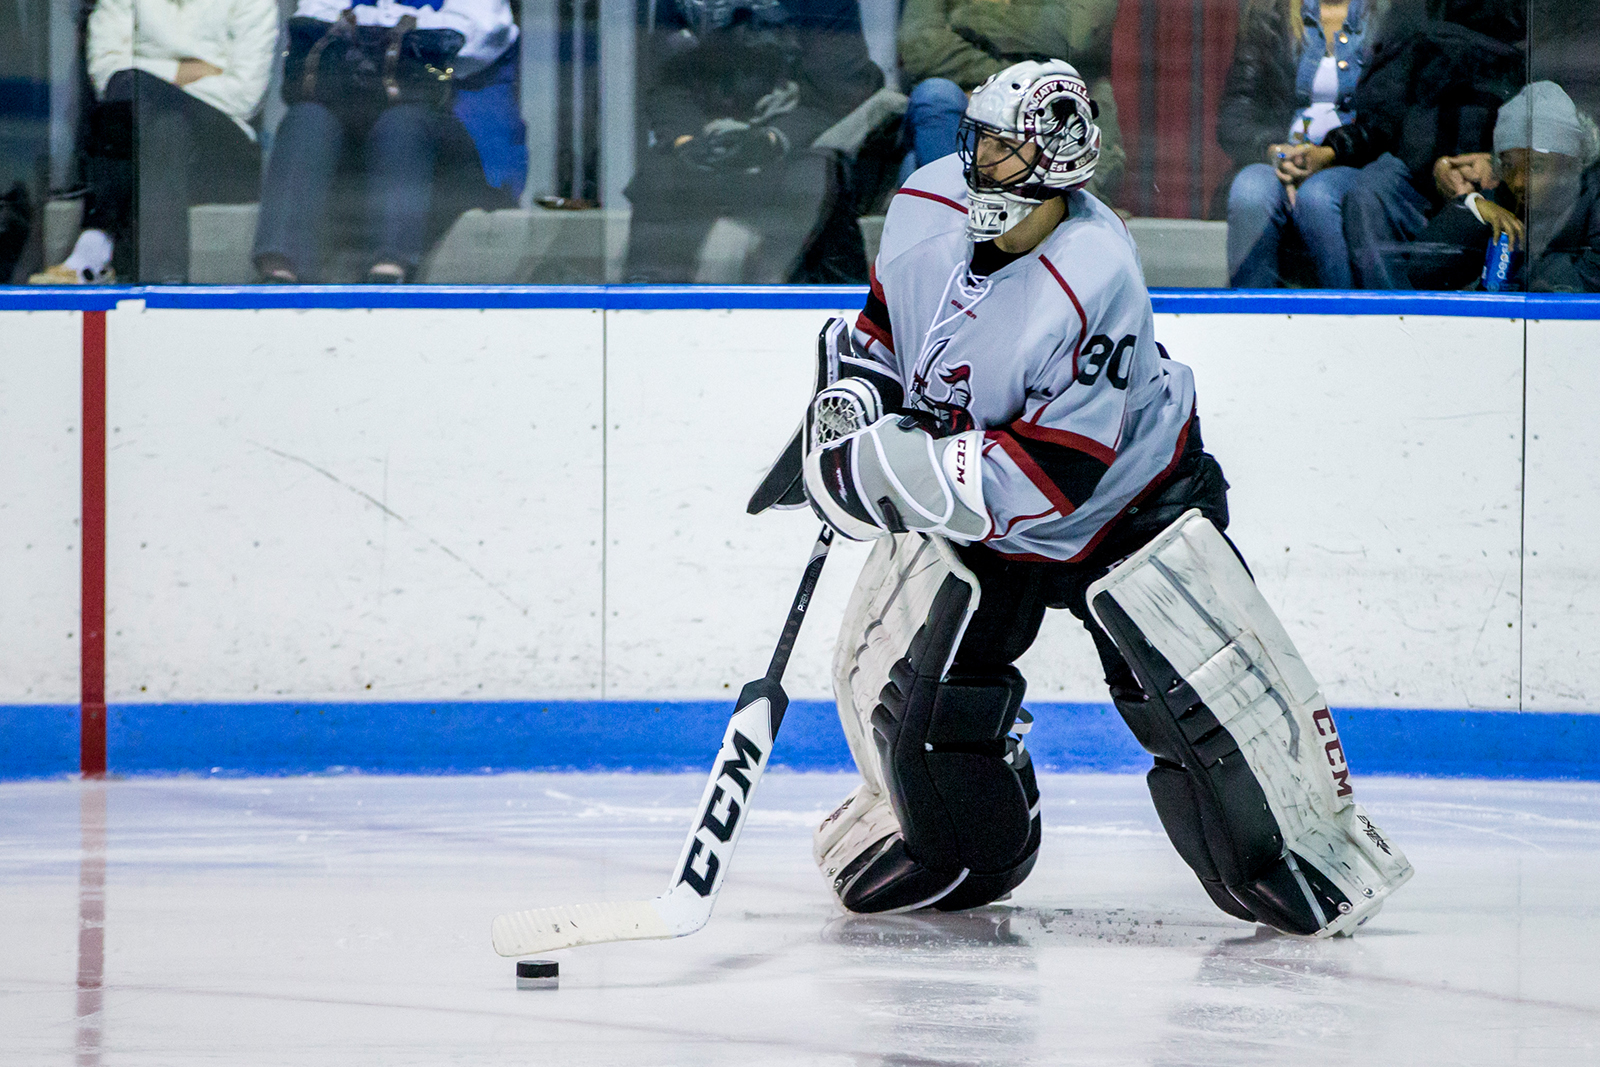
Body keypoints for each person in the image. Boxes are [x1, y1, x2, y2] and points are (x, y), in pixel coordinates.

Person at [790, 60, 1412, 933]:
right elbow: (884, 333)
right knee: (923, 733)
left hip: (1130, 513)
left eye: (1007, 153)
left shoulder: (1094, 272)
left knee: (1211, 739)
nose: (980, 167)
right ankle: (964, 845)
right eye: (979, 143)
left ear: (1059, 163)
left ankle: (1301, 845)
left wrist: (882, 474)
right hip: (986, 522)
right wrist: (854, 404)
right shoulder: (926, 203)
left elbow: (1050, 479)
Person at [251, 0, 522, 284]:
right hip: (353, 134)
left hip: (441, 139)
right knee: (306, 117)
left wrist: (363, 34)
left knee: (403, 122)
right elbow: (311, 24)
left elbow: (464, 43)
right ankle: (279, 268)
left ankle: (390, 267)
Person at [622, 0, 882, 284]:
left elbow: (839, 87)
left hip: (802, 145)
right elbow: (667, 83)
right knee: (660, 176)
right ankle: (649, 309)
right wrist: (685, 140)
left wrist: (772, 139)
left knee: (817, 178)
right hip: (709, 137)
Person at [1275, 0, 1525, 289]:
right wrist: (1435, 164)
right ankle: (1391, 315)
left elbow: (1539, 89)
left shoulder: (1513, 21)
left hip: (1497, 156)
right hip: (1419, 157)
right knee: (1369, 191)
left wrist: (1499, 159)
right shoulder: (1411, 13)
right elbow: (1390, 105)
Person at [30, 0, 278, 284]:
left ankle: (94, 246)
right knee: (156, 114)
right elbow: (107, 73)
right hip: (146, 120)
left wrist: (150, 79)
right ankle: (165, 280)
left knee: (146, 101)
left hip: (222, 139)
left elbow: (244, 95)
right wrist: (188, 72)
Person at [896, 0, 1124, 203]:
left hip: (1053, 118)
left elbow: (1074, 36)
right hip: (972, 119)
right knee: (936, 96)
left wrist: (967, 15)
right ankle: (961, 215)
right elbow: (920, 49)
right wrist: (1002, 84)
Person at [1219, 0, 1374, 288]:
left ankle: (1344, 319)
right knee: (1250, 191)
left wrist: (1329, 154)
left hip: (1352, 160)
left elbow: (1391, 116)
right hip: (1281, 158)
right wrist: (1275, 151)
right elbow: (1236, 113)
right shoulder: (1270, 13)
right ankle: (1250, 319)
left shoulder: (1382, 16)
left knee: (1317, 197)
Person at [1408, 82, 1600, 292]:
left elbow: (1582, 286)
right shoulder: (1502, 197)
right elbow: (1422, 274)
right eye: (1509, 166)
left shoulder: (1594, 202)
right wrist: (1474, 205)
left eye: (1535, 167)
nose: (1518, 181)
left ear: (1572, 164)